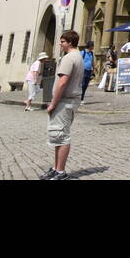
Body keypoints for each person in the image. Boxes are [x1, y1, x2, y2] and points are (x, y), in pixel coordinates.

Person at [42, 30, 83, 180]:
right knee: (58, 135)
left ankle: (60, 171)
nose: (60, 44)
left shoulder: (69, 58)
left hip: (64, 101)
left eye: (63, 41)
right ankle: (56, 168)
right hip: (69, 101)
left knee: (62, 136)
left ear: (70, 42)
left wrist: (53, 103)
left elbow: (63, 82)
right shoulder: (78, 56)